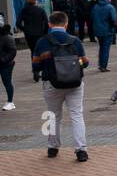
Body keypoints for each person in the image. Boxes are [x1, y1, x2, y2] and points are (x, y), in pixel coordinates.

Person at [31, 11, 89, 162]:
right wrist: (73, 65)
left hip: (51, 84)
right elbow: (85, 62)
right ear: (66, 24)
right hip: (75, 84)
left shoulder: (42, 42)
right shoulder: (74, 40)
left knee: (53, 115)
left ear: (50, 24)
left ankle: (52, 147)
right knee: (76, 115)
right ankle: (81, 150)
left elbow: (36, 65)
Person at [17, 0, 48, 82]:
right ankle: (39, 70)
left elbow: (18, 23)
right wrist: (44, 33)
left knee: (33, 51)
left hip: (29, 35)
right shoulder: (41, 10)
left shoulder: (24, 10)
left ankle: (35, 70)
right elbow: (46, 23)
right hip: (39, 34)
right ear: (35, 1)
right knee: (41, 51)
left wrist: (25, 29)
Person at [92, 0, 117, 72]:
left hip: (98, 31)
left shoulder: (95, 7)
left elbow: (91, 18)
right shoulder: (110, 7)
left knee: (101, 48)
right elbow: (114, 19)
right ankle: (103, 66)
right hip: (107, 31)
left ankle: (100, 64)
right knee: (105, 49)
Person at [0, 23, 16, 110]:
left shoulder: (7, 38)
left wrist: (4, 59)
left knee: (7, 82)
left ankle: (10, 102)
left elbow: (13, 51)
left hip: (6, 64)